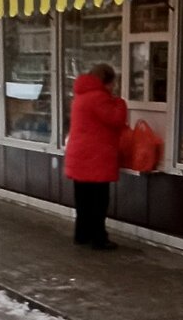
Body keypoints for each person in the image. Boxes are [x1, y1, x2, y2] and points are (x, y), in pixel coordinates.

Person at [64, 63, 127, 250]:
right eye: (113, 83)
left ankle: (81, 235)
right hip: (96, 159)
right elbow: (116, 120)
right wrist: (121, 102)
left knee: (82, 201)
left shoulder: (80, 97)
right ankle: (99, 239)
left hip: (79, 157)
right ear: (106, 82)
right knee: (99, 202)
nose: (114, 87)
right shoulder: (99, 98)